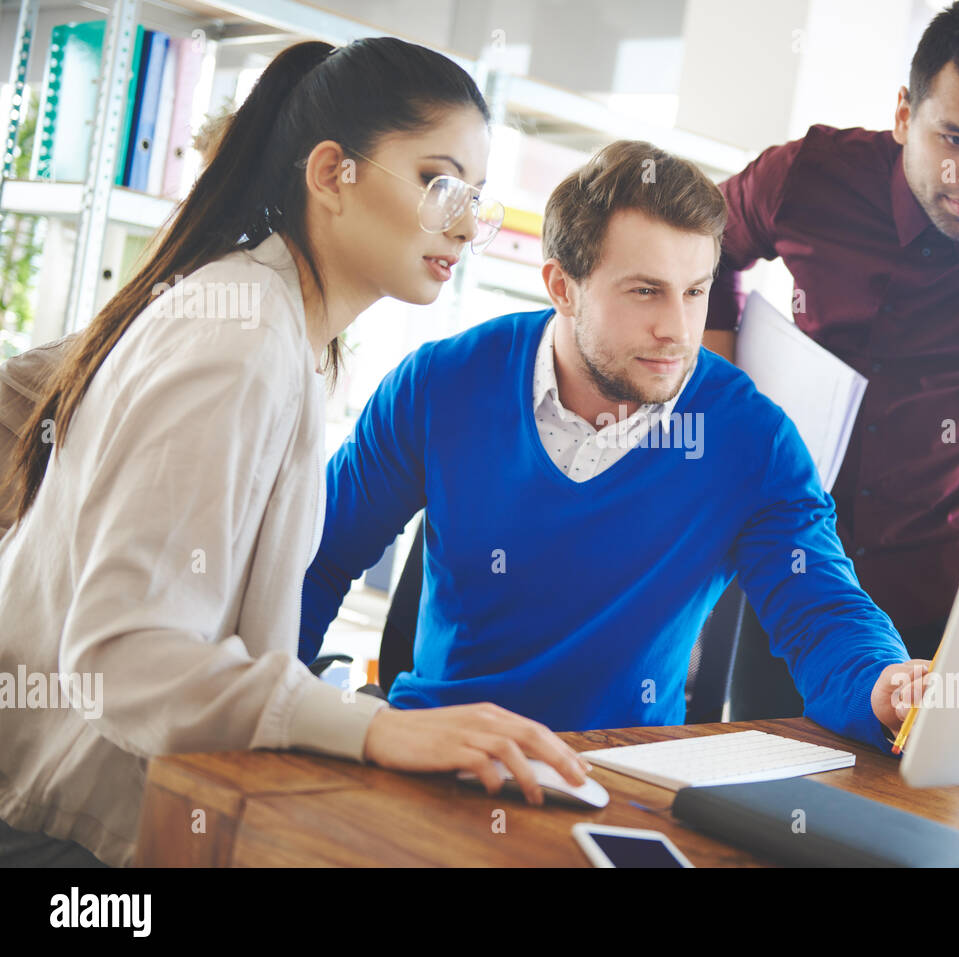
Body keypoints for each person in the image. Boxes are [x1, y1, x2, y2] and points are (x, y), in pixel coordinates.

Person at [0, 37, 588, 869]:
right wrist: (377, 727)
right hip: (57, 831)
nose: (464, 223)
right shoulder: (241, 339)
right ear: (330, 174)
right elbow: (124, 657)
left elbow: (24, 392)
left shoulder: (270, 319)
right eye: (437, 181)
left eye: (476, 198)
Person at [300, 140, 931, 757]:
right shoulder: (441, 383)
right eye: (644, 291)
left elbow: (822, 609)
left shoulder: (751, 442)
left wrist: (884, 685)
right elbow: (317, 557)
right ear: (563, 287)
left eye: (694, 291)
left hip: (621, 779)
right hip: (436, 753)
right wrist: (265, 718)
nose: (678, 331)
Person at [701, 0, 959, 659]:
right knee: (765, 752)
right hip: (791, 561)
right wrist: (721, 377)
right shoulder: (809, 174)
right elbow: (705, 237)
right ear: (903, 114)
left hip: (939, 593)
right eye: (956, 139)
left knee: (912, 768)